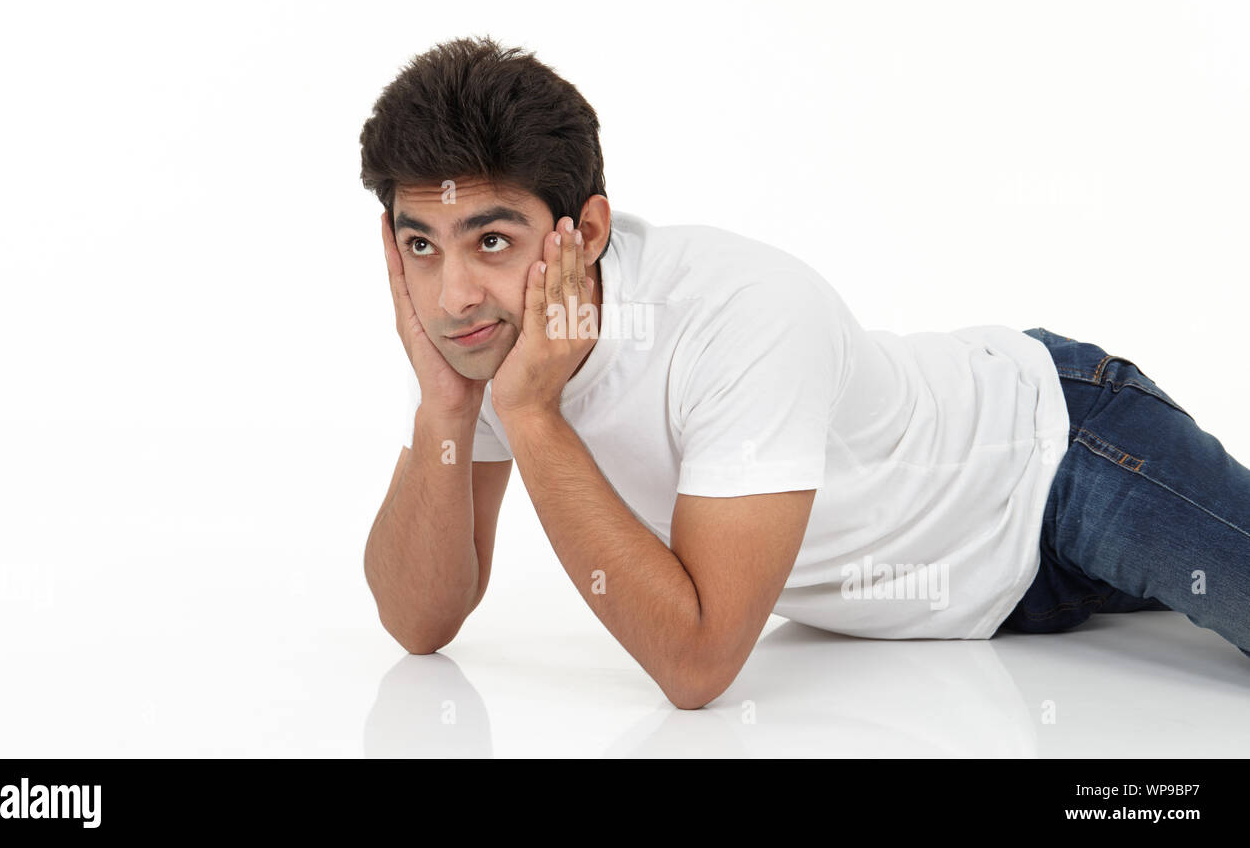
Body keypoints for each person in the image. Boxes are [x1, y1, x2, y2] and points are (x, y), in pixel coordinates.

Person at [358, 36, 1250, 709]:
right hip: (1001, 601)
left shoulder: (739, 311)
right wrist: (445, 410)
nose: (453, 296)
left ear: (585, 232)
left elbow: (698, 664)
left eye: (493, 239)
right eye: (421, 246)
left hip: (1058, 459)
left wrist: (532, 417)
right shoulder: (480, 334)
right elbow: (420, 622)